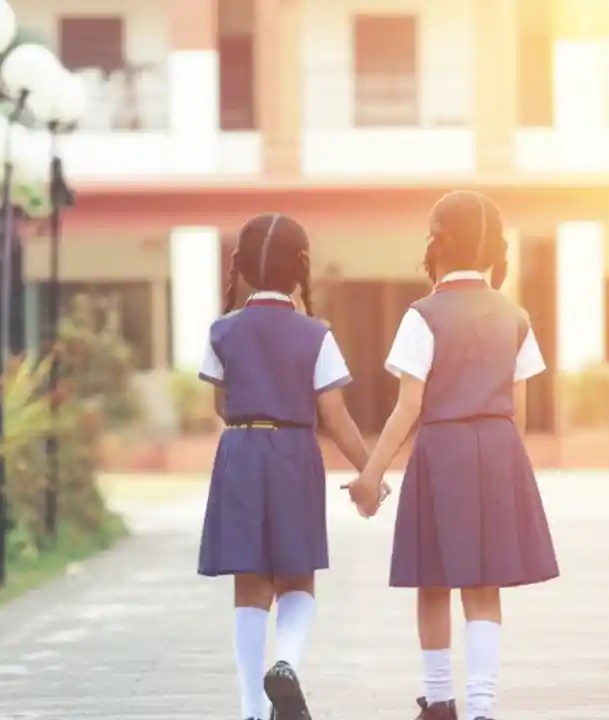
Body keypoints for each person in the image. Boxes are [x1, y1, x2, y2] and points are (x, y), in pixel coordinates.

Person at [344, 191, 560, 720]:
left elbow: (407, 407)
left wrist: (370, 477)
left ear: (435, 245)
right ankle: (483, 707)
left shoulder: (424, 315)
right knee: (483, 585)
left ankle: (440, 701)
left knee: (434, 579)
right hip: (498, 447)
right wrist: (505, 459)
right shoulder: (516, 316)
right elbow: (520, 408)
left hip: (442, 453)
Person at [199, 212, 370, 720]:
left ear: (243, 268)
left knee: (250, 586)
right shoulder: (316, 335)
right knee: (298, 577)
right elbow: (333, 415)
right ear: (301, 268)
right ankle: (286, 664)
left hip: (240, 452)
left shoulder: (221, 330)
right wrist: (371, 472)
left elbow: (220, 405)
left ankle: (252, 710)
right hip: (295, 454)